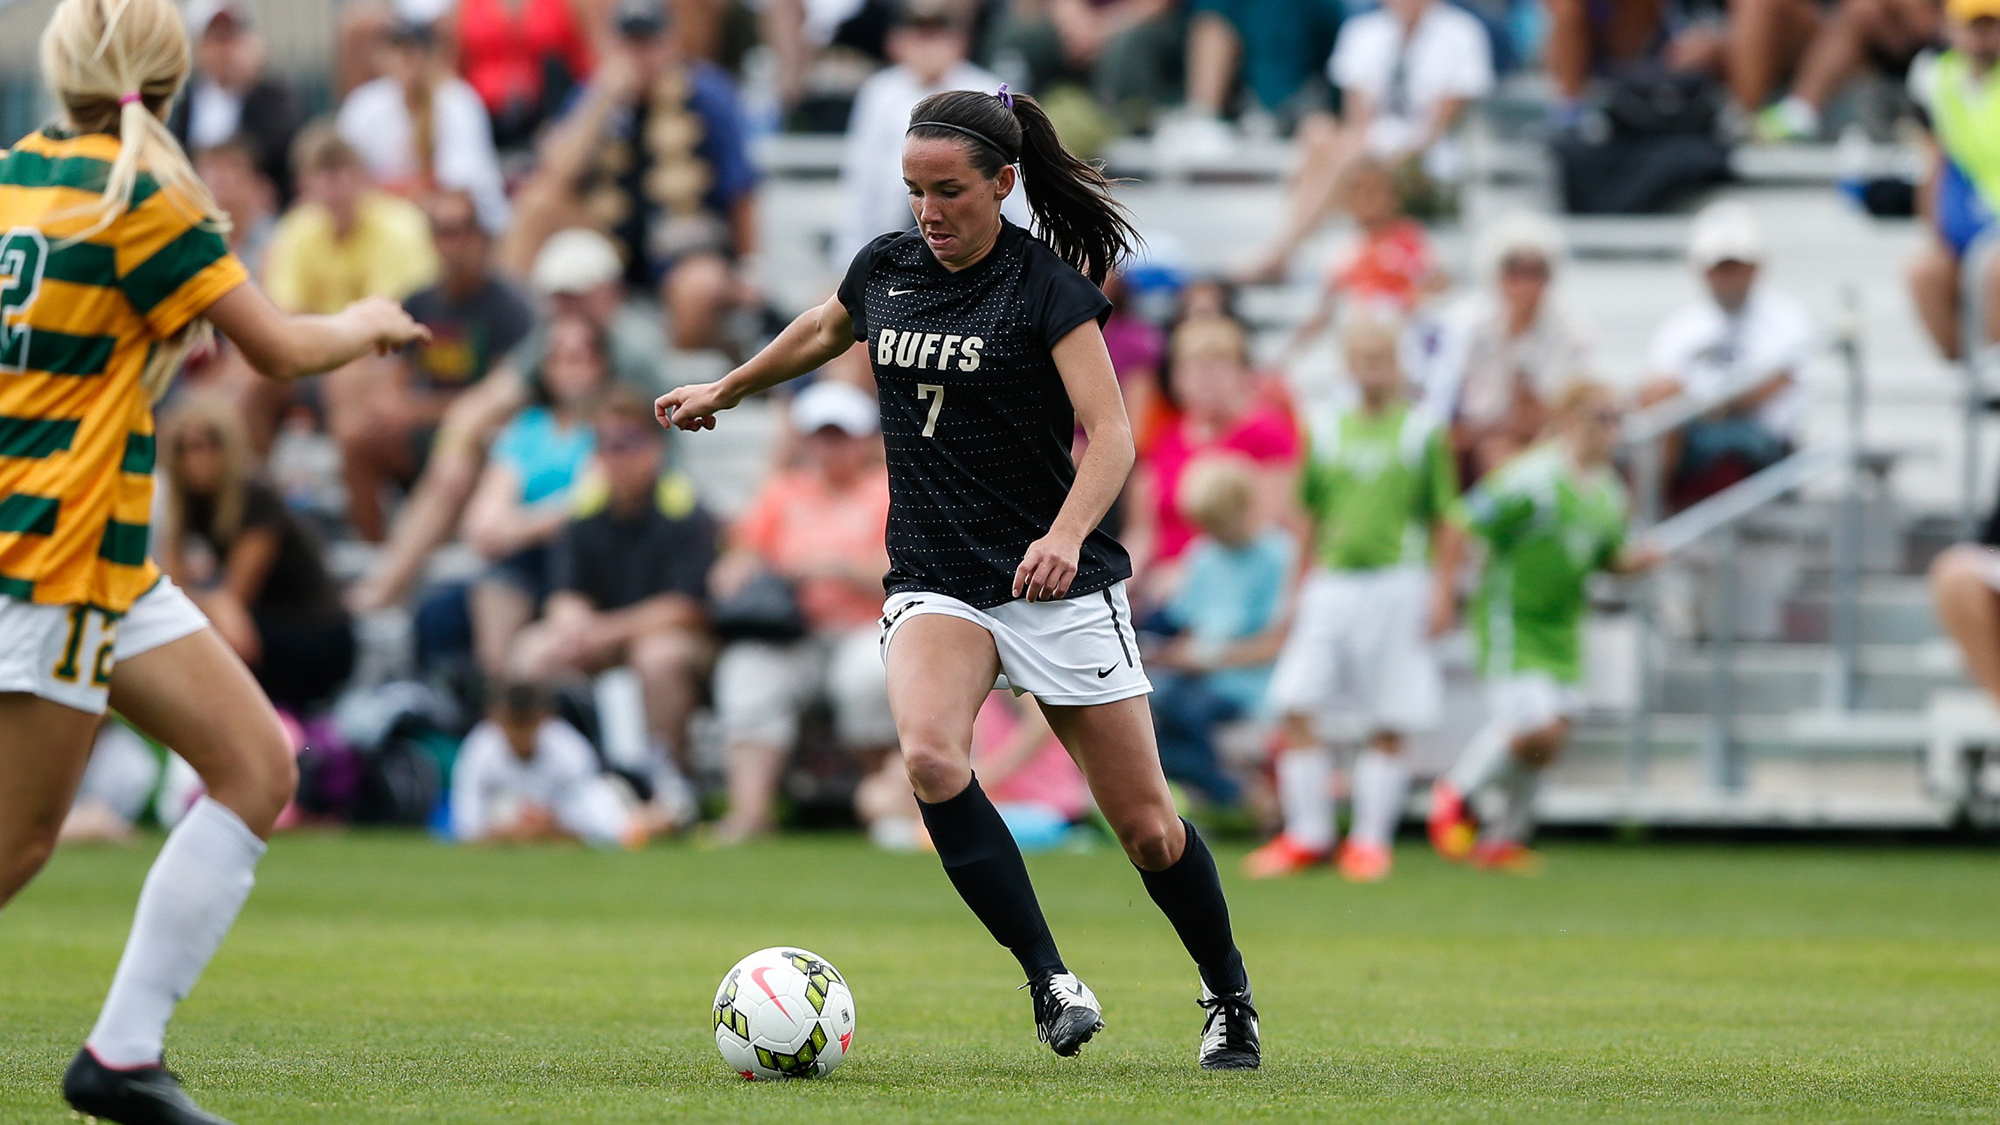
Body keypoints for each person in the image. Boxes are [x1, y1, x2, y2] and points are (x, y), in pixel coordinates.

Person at [658, 87, 1260, 1069]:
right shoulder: (886, 267)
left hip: (1053, 583)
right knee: (932, 760)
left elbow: (1111, 437)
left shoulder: (1045, 286)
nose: (928, 210)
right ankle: (1048, 979)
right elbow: (822, 329)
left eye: (949, 191)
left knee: (1149, 830)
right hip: (937, 578)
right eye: (914, 189)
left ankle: (1227, 994)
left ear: (1003, 182)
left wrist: (1066, 534)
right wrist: (725, 387)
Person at [0, 3, 426, 1121]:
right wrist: (370, 320)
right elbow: (278, 349)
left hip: (90, 555)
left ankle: (122, 1057)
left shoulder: (16, 173)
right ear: (170, 75)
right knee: (19, 843)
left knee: (254, 766)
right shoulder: (142, 194)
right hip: (57, 556)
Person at [349, 227, 671, 611]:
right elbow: (482, 404)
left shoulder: (635, 354)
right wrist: (453, 451)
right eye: (557, 297)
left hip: (624, 498)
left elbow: (634, 457)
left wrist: (514, 527)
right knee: (457, 474)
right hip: (561, 488)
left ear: (607, 293)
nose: (563, 308)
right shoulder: (556, 339)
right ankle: (385, 587)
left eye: (573, 296)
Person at [1245, 315, 1462, 883]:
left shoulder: (1421, 431)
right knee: (1296, 699)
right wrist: (1296, 588)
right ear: (1347, 365)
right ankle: (1308, 833)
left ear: (1398, 365)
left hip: (1397, 581)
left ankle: (1369, 840)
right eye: (1362, 360)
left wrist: (1442, 590)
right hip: (1333, 583)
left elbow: (1445, 518)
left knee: (1390, 711)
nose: (1372, 371)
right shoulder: (1325, 428)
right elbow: (1307, 514)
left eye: (1382, 360)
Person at [1429, 383, 1660, 872]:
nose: (1611, 431)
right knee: (1537, 727)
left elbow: (1607, 558)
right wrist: (1445, 595)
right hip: (1513, 619)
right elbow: (1460, 522)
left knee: (1552, 740)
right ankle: (1457, 794)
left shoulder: (1608, 492)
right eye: (1601, 417)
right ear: (1569, 419)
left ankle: (1504, 837)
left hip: (1564, 627)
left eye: (1617, 419)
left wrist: (1635, 563)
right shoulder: (1531, 479)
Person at [509, 388, 717, 822]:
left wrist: (604, 630)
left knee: (658, 656)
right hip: (604, 637)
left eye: (627, 443)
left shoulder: (685, 511)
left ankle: (666, 789)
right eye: (606, 444)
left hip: (681, 643)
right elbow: (564, 592)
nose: (616, 456)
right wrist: (571, 621)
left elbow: (685, 608)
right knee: (532, 652)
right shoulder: (584, 512)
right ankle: (541, 788)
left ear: (654, 449)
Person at [507, 0, 759, 352]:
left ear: (671, 43)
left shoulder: (708, 93)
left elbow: (741, 190)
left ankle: (674, 374)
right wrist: (603, 98)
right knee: (537, 204)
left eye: (649, 43)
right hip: (609, 235)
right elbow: (556, 172)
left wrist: (749, 267)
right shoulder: (594, 94)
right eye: (629, 44)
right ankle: (518, 342)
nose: (639, 56)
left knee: (698, 284)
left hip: (685, 243)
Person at [708, 380, 895, 843]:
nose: (829, 448)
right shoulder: (783, 491)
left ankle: (885, 806)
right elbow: (741, 550)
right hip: (794, 632)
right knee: (746, 670)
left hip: (869, 626)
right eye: (821, 436)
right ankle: (751, 813)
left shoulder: (888, 490)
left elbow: (909, 570)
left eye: (840, 437)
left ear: (865, 441)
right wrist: (738, 567)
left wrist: (838, 567)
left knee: (868, 677)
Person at [331, 190, 535, 542]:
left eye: (459, 230)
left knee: (472, 444)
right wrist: (390, 405)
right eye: (441, 232)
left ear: (480, 238)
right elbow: (396, 374)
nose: (451, 244)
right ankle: (373, 547)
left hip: (481, 434)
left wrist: (416, 411)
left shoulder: (510, 309)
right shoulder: (419, 301)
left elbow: (503, 399)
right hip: (425, 427)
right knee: (356, 437)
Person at [1243, 0, 1493, 280]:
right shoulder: (1363, 31)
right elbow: (1358, 118)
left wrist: (1388, 156)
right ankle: (1287, 246)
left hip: (1426, 165)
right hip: (1370, 152)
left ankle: (1282, 251)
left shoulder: (1462, 33)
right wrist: (1368, 154)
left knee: (1343, 154)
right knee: (1317, 130)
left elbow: (1438, 125)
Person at [158, 395, 358, 713]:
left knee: (216, 631)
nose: (195, 459)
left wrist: (212, 600)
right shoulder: (193, 505)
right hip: (263, 623)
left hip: (315, 632)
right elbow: (172, 588)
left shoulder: (254, 497)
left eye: (206, 446)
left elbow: (235, 598)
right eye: (184, 449)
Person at [463, 312, 610, 678]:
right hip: (524, 560)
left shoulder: (612, 427)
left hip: (586, 562)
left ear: (600, 364)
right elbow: (481, 523)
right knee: (489, 593)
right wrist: (535, 524)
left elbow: (583, 509)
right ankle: (499, 695)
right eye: (557, 358)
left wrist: (511, 527)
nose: (568, 370)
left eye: (578, 358)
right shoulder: (526, 427)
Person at [1146, 454, 1293, 811]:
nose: (1212, 534)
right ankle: (1237, 794)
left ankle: (1233, 794)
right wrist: (1168, 654)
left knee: (1178, 708)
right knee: (1146, 702)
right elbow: (1190, 628)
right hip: (1198, 678)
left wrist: (1205, 658)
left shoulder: (1279, 556)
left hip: (1249, 684)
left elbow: (1275, 646)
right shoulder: (1203, 555)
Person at [1642, 202, 1813, 507]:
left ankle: (1647, 510)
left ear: (1755, 267)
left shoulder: (1787, 320)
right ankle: (1649, 506)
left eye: (1735, 266)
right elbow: (1659, 395)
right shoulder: (1680, 327)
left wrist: (1701, 405)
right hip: (1695, 438)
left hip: (1763, 442)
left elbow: (1778, 390)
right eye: (1720, 268)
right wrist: (1723, 405)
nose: (1728, 277)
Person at [836, 0, 1022, 267]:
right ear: (897, 41)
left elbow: (1012, 183)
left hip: (972, 232)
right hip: (896, 234)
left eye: (936, 36)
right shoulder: (880, 93)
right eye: (919, 35)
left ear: (960, 41)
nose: (927, 48)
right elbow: (863, 181)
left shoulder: (986, 90)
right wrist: (850, 261)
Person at [1423, 210, 1590, 483]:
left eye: (1535, 273)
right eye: (1515, 272)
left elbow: (1566, 407)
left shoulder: (1572, 332)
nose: (1525, 285)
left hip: (1546, 437)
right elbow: (1441, 400)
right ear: (1496, 275)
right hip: (1475, 435)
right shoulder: (1465, 326)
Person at [1130, 314, 1298, 582]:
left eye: (1217, 369)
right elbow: (1143, 533)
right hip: (1161, 582)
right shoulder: (1164, 439)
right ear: (1176, 380)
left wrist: (1191, 575)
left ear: (1242, 374)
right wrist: (1125, 580)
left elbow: (1267, 528)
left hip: (1235, 580)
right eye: (1194, 370)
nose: (1206, 381)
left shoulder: (1267, 434)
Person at [336, 12, 512, 234]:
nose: (407, 58)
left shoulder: (457, 100)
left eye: (416, 48)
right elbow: (347, 181)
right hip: (382, 222)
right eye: (398, 48)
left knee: (449, 213)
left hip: (449, 226)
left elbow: (459, 188)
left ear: (432, 54)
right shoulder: (363, 105)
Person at [263, 122, 439, 318]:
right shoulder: (296, 228)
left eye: (341, 172)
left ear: (363, 175)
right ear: (303, 183)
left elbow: (394, 312)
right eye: (322, 173)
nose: (334, 188)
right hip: (320, 336)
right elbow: (284, 310)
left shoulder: (401, 225)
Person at [1906, 0, 2000, 364]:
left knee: (1996, 269)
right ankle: (1974, 374)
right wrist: (1936, 233)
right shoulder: (1937, 77)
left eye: (1992, 25)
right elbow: (1934, 160)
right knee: (1925, 273)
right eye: (1974, 26)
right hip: (1973, 216)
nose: (1983, 37)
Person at [451, 680, 648, 848]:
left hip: (559, 819)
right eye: (513, 723)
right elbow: (466, 824)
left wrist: (552, 824)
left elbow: (594, 818)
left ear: (542, 718)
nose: (519, 734)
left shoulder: (569, 747)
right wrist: (510, 830)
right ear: (497, 719)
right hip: (501, 825)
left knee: (614, 801)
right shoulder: (479, 749)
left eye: (526, 723)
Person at [1286, 156, 1447, 358]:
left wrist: (1409, 299)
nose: (1366, 197)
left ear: (1394, 197)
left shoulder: (1409, 239)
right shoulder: (1342, 249)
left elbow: (1439, 283)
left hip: (1401, 338)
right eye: (1358, 190)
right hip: (1358, 342)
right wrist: (1287, 357)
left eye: (1375, 190)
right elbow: (1325, 310)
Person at [167, 0, 303, 206]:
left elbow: (283, 152)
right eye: (215, 39)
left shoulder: (274, 99)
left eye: (230, 37)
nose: (224, 50)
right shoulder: (181, 102)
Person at [1755, 0, 1945, 141]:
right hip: (1841, 25)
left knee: (1862, 10)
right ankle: (1751, 118)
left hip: (1938, 35)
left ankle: (1801, 110)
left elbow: (1921, 19)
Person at [986, 0, 1182, 132]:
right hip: (1077, 25)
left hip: (1137, 25)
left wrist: (1102, 31)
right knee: (1018, 39)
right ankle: (1003, 119)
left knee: (1127, 48)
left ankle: (1127, 130)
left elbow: (1155, 4)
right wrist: (1074, 23)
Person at [456, 0, 597, 149]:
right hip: (486, 121)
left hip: (548, 119)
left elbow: (584, 64)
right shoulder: (466, 6)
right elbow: (455, 68)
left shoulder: (566, 5)